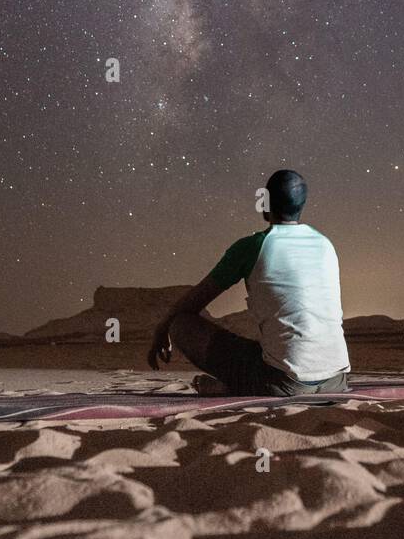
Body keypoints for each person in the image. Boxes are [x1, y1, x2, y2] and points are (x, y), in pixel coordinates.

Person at [147, 169, 351, 397]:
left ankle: (234, 388)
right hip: (337, 380)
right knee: (267, 348)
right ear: (301, 205)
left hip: (285, 382)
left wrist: (161, 330)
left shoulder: (252, 247)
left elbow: (191, 304)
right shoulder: (325, 244)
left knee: (182, 325)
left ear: (265, 202)